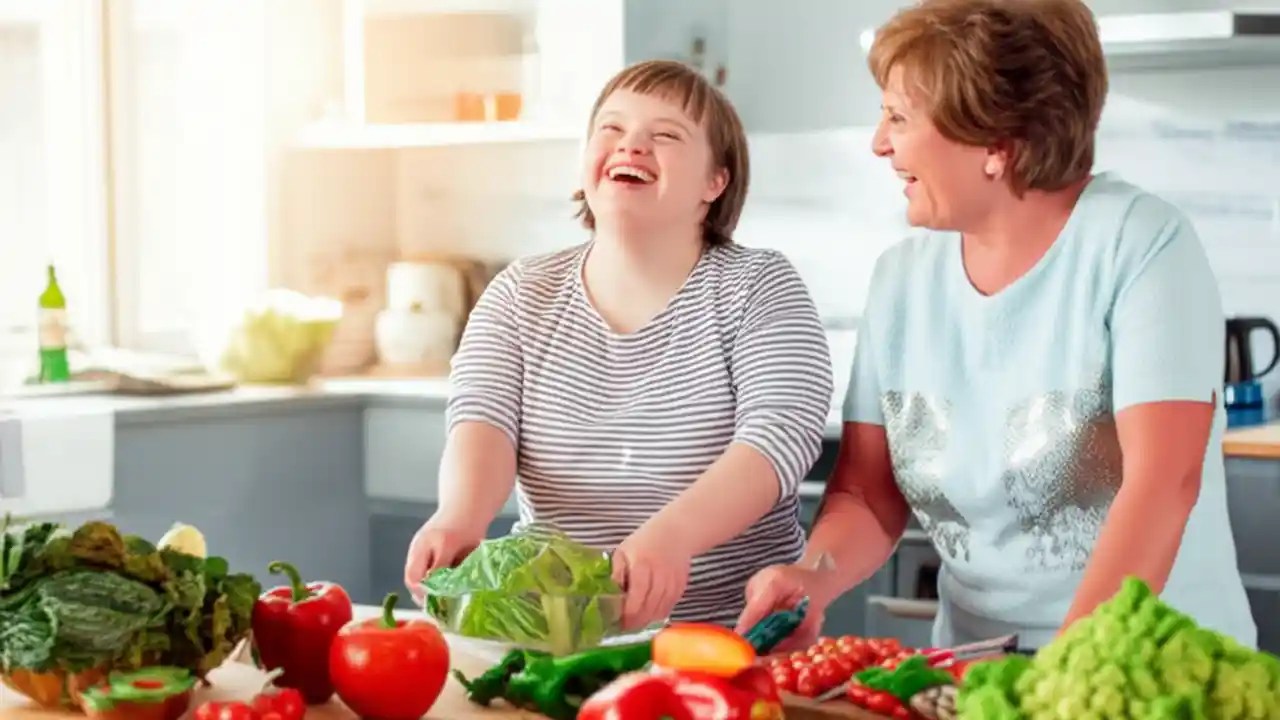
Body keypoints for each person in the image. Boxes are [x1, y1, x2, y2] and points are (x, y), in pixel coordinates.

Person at [736, 0, 1258, 651]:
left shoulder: (1139, 245)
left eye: (898, 116)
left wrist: (1066, 674)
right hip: (979, 670)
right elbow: (869, 495)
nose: (879, 142)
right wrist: (815, 576)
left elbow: (1162, 484)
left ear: (996, 142)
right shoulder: (901, 278)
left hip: (1146, 669)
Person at [403, 59, 834, 630]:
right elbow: (483, 421)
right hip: (553, 640)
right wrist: (459, 518)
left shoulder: (758, 287)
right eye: (611, 129)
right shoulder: (519, 293)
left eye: (665, 135)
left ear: (715, 182)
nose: (631, 146)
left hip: (728, 639)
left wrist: (673, 535)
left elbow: (780, 435)